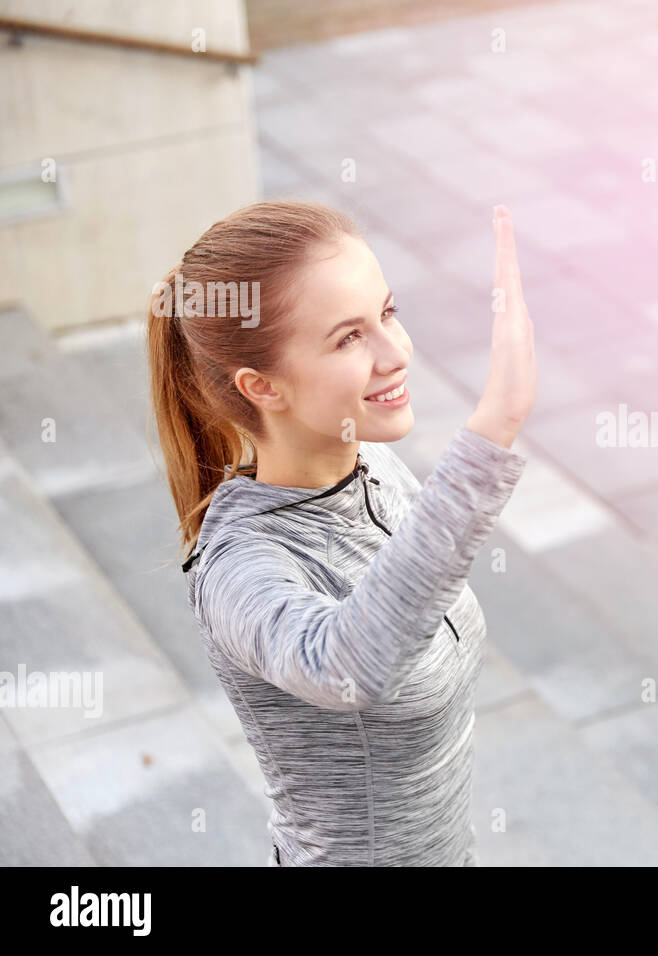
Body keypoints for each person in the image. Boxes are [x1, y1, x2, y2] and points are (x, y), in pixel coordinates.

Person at [147, 200, 536, 865]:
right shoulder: (239, 567)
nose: (397, 352)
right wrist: (492, 430)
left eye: (387, 313)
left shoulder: (376, 469)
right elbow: (349, 665)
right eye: (349, 337)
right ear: (262, 386)